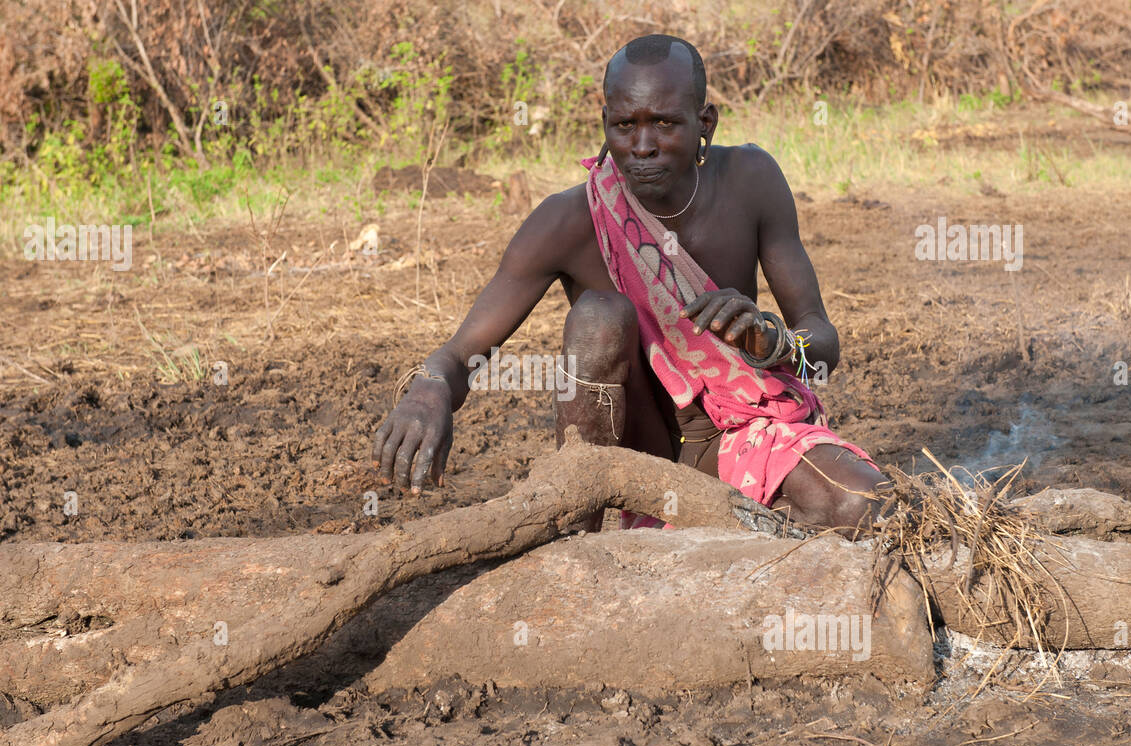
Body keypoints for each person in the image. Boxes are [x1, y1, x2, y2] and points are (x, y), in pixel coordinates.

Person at [372, 33, 888, 534]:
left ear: (704, 122)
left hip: (740, 434)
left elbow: (821, 343)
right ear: (605, 124)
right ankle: (581, 532)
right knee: (598, 316)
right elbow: (462, 354)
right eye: (625, 125)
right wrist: (429, 390)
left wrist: (773, 341)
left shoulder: (751, 181)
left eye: (665, 123)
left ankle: (743, 524)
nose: (643, 146)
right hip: (636, 466)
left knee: (869, 507)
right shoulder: (567, 221)